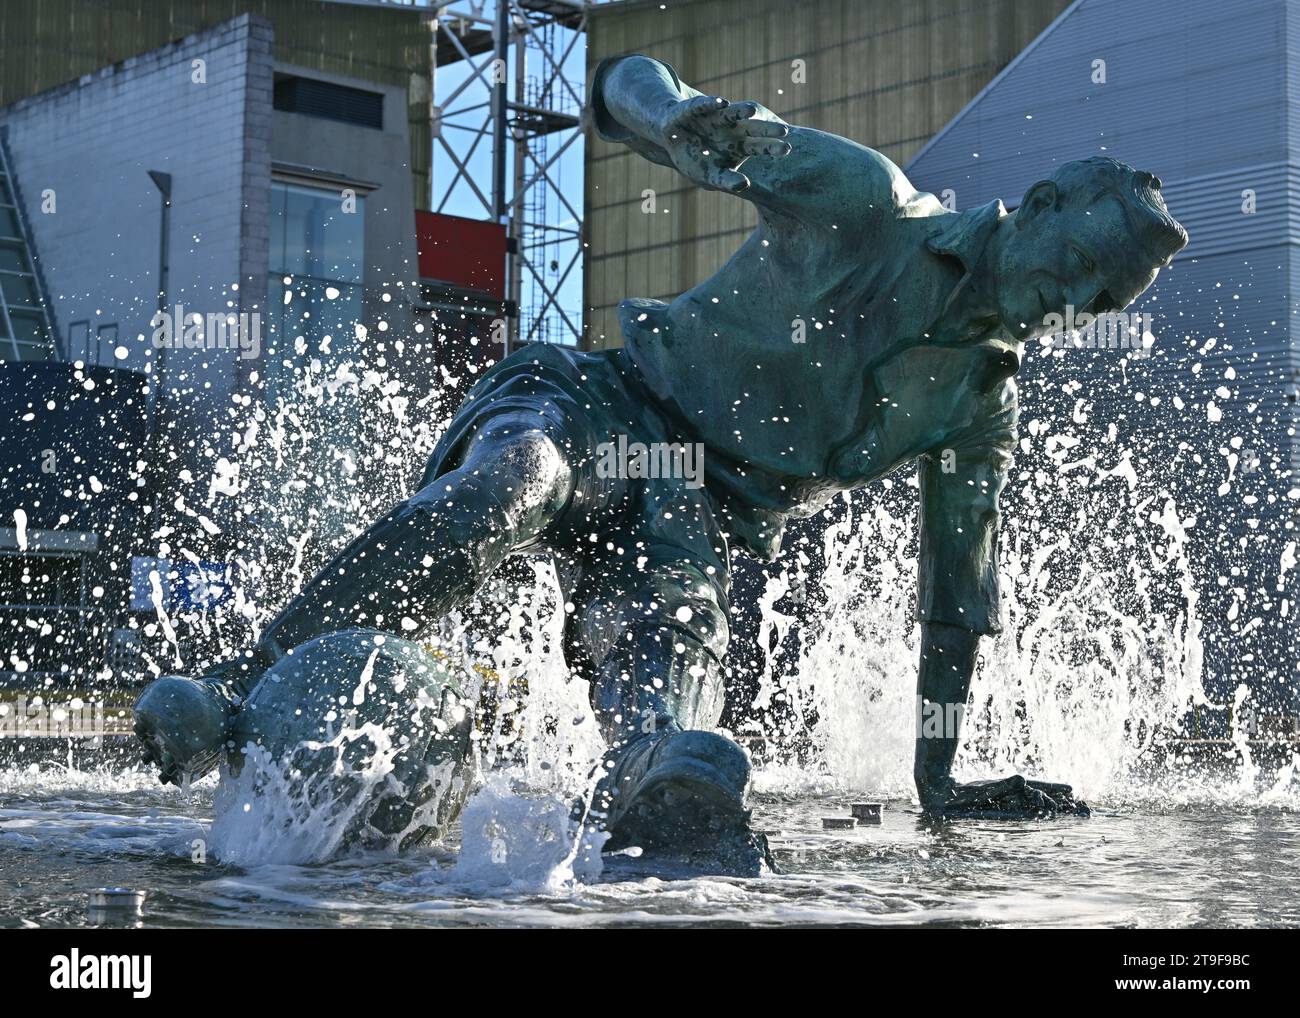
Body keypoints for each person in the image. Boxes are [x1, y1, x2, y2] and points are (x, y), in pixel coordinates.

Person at [135, 54, 1187, 873]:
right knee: (520, 482)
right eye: (1082, 271)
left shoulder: (976, 410)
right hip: (600, 401)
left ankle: (650, 801)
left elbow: (953, 604)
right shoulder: (864, 201)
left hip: (693, 511)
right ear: (1041, 207)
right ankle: (236, 681)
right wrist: (673, 116)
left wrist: (938, 780)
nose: (1072, 308)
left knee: (679, 677)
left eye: (1101, 302)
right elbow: (624, 87)